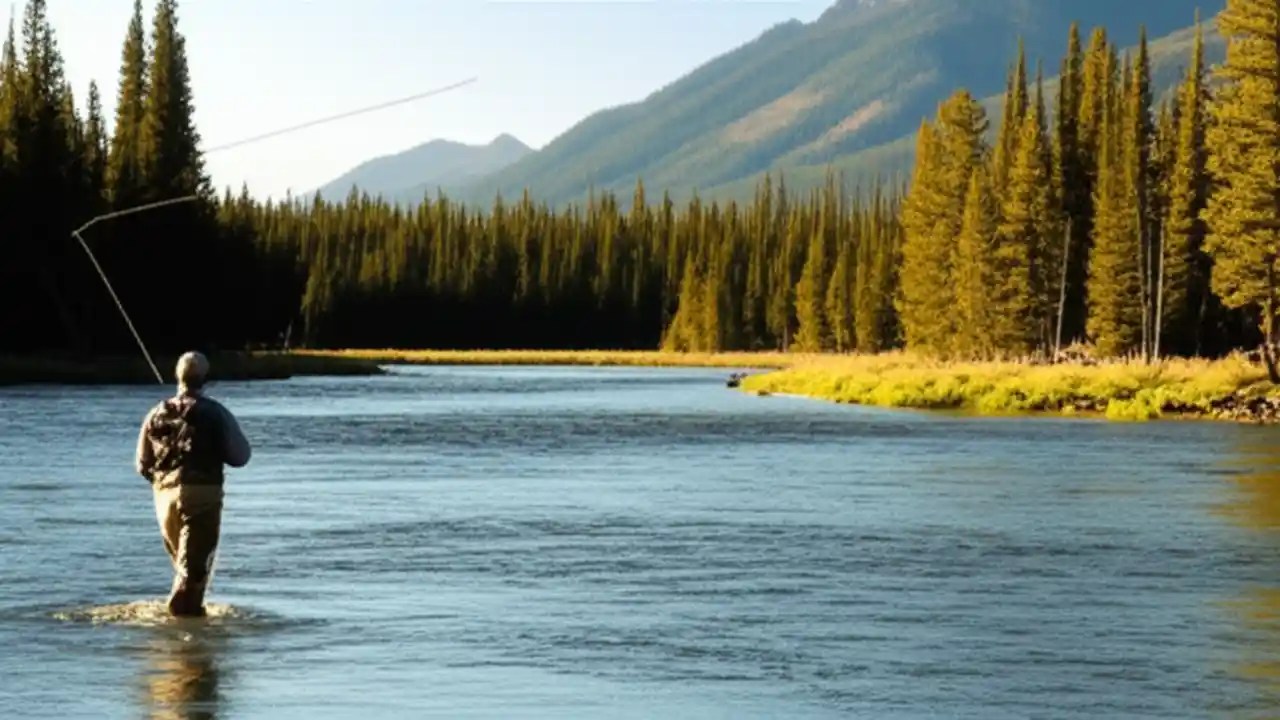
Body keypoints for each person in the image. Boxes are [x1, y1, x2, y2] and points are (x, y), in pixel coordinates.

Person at [135, 351, 251, 617]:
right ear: (205, 379)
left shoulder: (155, 413)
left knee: (184, 569)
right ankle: (183, 632)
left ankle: (184, 642)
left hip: (163, 499)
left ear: (178, 376)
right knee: (193, 574)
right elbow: (240, 457)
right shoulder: (216, 413)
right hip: (202, 496)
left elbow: (142, 464)